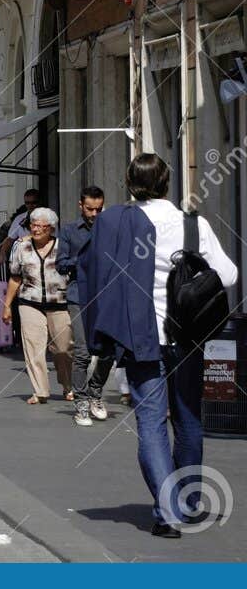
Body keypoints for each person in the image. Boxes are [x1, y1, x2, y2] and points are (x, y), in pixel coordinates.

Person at [82, 154, 239, 536]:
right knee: (188, 420)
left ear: (129, 182)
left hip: (141, 338)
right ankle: (188, 502)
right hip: (187, 337)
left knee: (151, 424)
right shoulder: (193, 224)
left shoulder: (116, 223)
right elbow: (229, 274)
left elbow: (96, 274)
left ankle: (167, 513)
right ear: (167, 183)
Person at [2, 207, 73, 405]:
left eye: (41, 226)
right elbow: (15, 277)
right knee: (33, 347)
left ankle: (68, 385)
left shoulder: (63, 247)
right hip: (29, 302)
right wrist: (7, 305)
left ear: (51, 228)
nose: (36, 229)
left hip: (59, 303)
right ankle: (40, 391)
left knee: (63, 349)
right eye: (33, 225)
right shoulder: (21, 247)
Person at [58, 186, 112, 427]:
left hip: (105, 295)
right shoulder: (69, 231)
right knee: (82, 352)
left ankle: (95, 391)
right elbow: (61, 264)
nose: (94, 214)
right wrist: (83, 260)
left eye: (99, 209)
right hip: (78, 295)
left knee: (108, 350)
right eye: (90, 209)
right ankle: (80, 402)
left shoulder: (109, 229)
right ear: (81, 206)